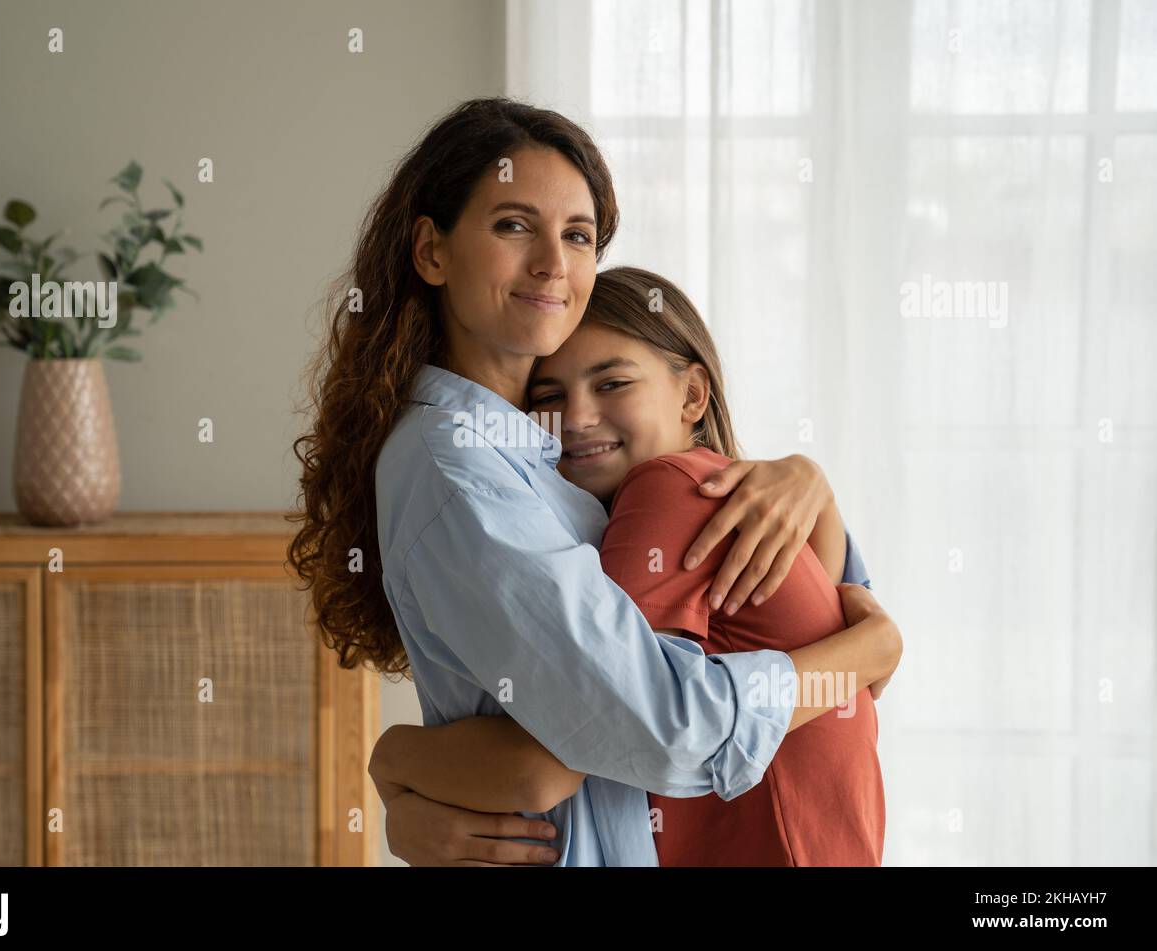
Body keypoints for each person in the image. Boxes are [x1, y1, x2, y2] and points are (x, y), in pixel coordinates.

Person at [289, 97, 902, 866]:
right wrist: (870, 652)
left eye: (577, 235)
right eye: (513, 225)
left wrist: (814, 486)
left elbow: (567, 739)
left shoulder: (552, 461)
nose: (553, 261)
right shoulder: (459, 470)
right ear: (432, 251)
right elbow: (658, 728)